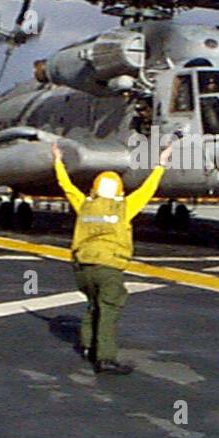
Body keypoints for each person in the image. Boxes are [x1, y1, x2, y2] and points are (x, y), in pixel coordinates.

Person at [51, 140, 173, 375]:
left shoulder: (84, 204)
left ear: (95, 187)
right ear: (119, 189)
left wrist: (57, 160)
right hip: (108, 267)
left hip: (82, 268)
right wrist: (161, 163)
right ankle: (104, 358)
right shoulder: (125, 207)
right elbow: (149, 188)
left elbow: (65, 185)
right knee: (109, 309)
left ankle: (87, 346)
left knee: (93, 305)